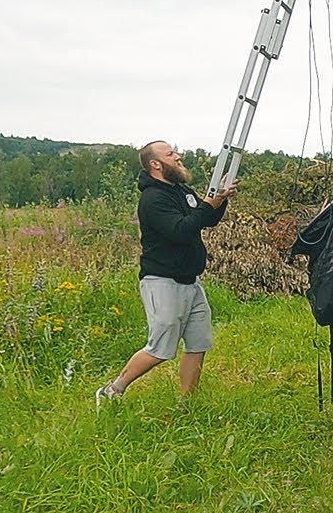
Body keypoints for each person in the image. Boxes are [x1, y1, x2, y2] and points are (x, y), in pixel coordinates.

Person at [95, 141, 237, 406]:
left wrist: (221, 199)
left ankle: (187, 403)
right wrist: (208, 204)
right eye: (171, 154)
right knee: (160, 349)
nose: (178, 156)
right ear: (155, 165)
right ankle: (112, 391)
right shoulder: (152, 199)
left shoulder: (182, 191)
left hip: (191, 282)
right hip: (162, 282)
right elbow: (180, 231)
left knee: (198, 345)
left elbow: (205, 220)